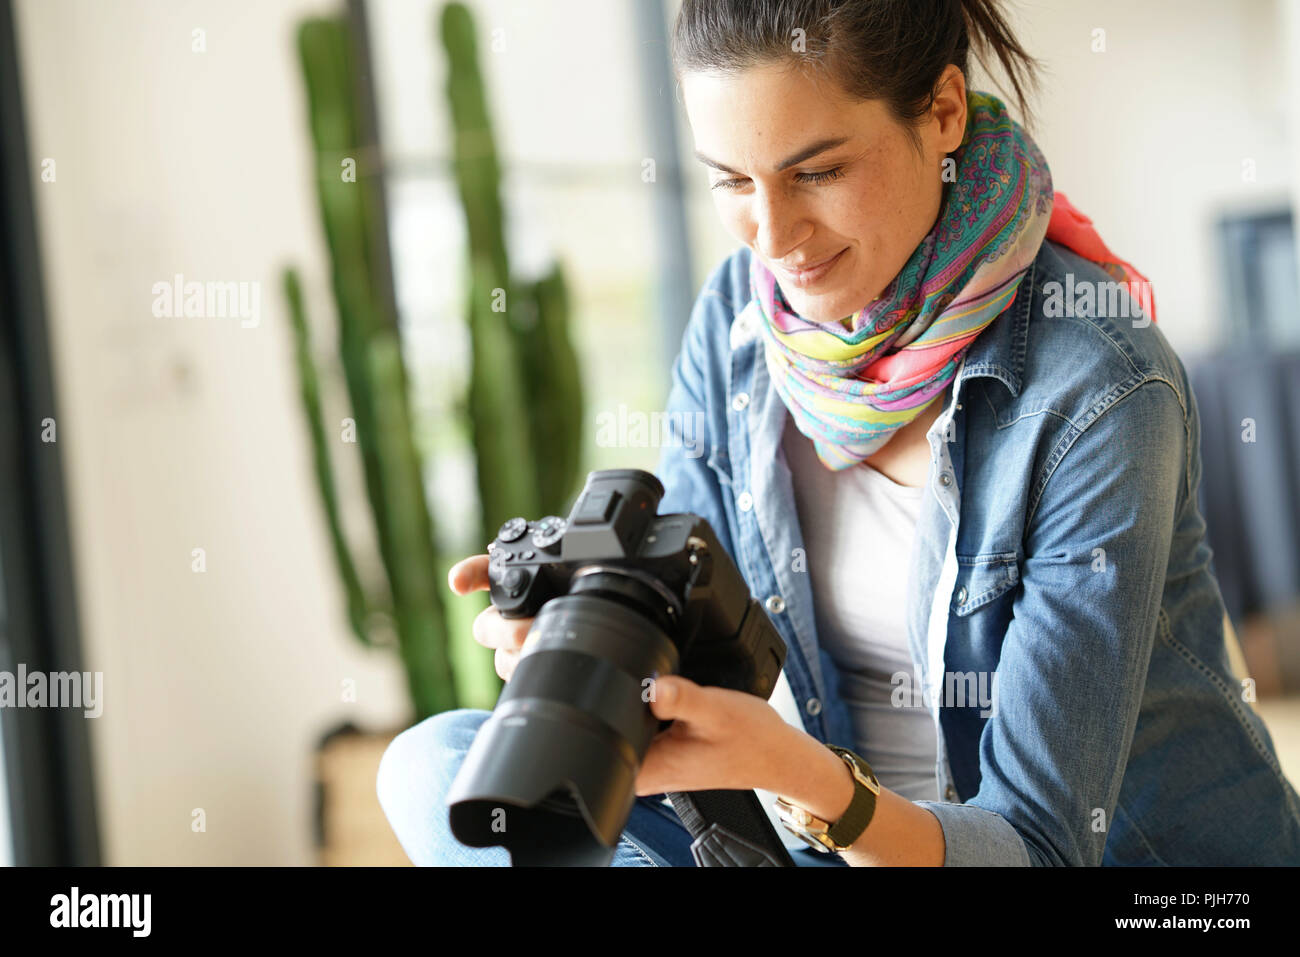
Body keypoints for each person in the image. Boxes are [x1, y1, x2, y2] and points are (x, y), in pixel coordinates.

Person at [377, 0, 1300, 866]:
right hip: (818, 828)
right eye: (733, 180)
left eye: (817, 171)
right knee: (435, 767)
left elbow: (1038, 844)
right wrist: (595, 645)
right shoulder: (741, 324)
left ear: (940, 112)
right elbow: (695, 615)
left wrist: (802, 776)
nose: (773, 238)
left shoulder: (1097, 384)